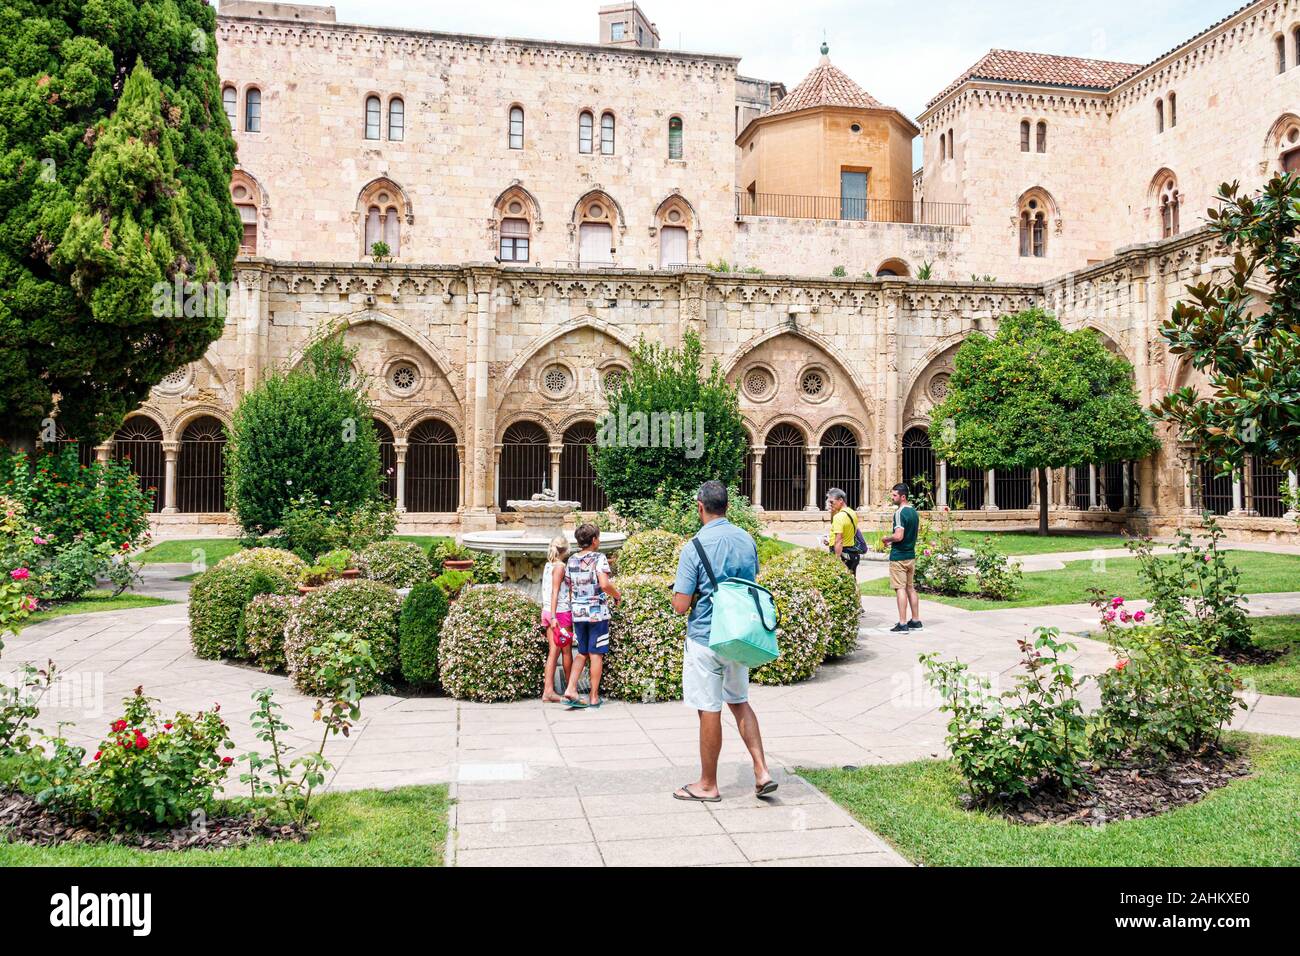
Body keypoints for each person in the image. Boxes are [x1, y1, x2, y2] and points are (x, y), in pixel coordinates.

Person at [670, 480, 776, 802]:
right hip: (739, 636)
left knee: (708, 708)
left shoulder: (694, 547)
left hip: (706, 638)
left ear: (700, 507)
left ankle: (707, 784)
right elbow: (749, 582)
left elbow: (681, 604)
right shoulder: (746, 540)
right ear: (727, 507)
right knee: (739, 701)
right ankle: (761, 771)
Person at [562, 523, 620, 709]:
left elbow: (570, 586)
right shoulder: (599, 558)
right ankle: (594, 697)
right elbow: (604, 584)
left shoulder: (571, 560)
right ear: (594, 540)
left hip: (578, 613)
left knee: (582, 651)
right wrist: (617, 595)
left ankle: (571, 688)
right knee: (596, 654)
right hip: (597, 613)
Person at [540, 534, 577, 704]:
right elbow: (555, 591)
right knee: (566, 652)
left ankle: (549, 691)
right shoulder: (561, 566)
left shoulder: (548, 565)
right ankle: (570, 689)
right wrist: (555, 616)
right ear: (566, 550)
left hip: (548, 610)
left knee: (553, 653)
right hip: (559, 613)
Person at [883, 482, 921, 633]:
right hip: (911, 555)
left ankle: (903, 623)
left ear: (902, 496)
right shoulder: (913, 512)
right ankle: (916, 621)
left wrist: (887, 539)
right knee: (910, 588)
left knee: (900, 589)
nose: (892, 498)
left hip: (899, 556)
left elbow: (899, 536)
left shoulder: (899, 513)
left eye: (894, 495)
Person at [823, 486, 861, 576]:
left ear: (840, 500)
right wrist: (833, 511)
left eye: (832, 502)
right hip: (851, 551)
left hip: (841, 552)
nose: (830, 504)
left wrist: (836, 559)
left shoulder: (839, 517)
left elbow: (839, 540)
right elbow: (848, 531)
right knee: (851, 579)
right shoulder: (852, 513)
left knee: (839, 581)